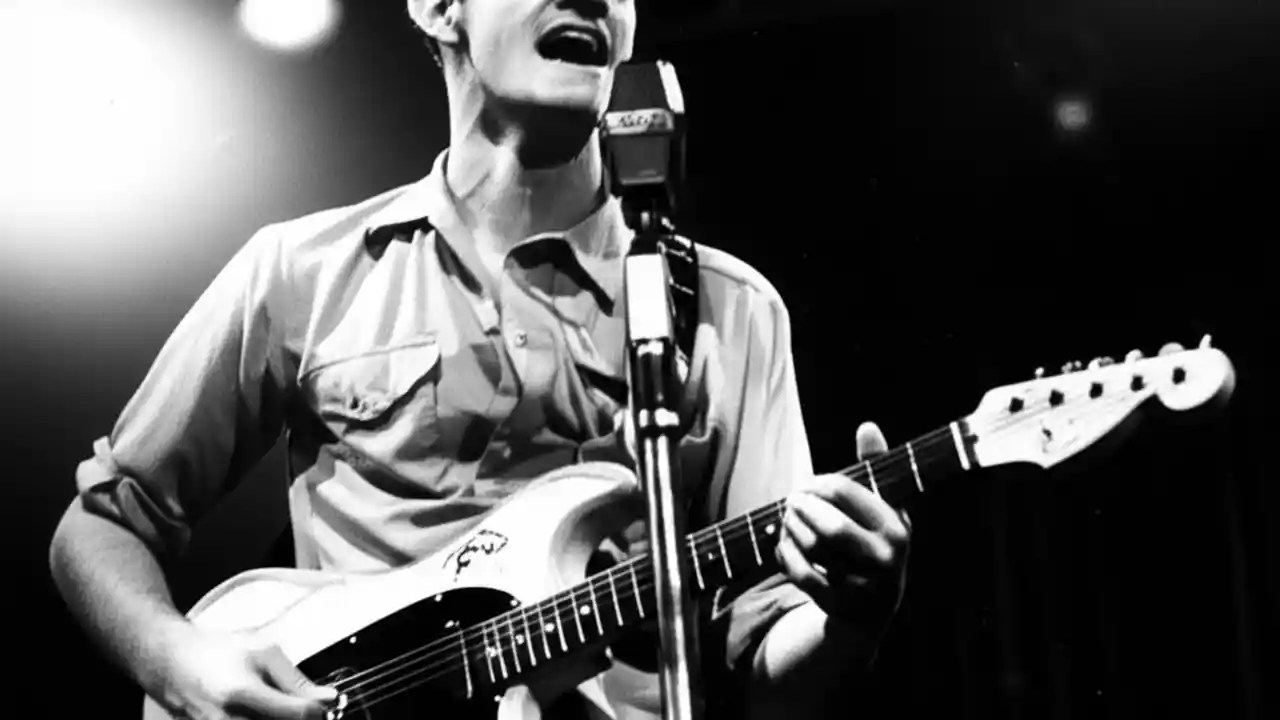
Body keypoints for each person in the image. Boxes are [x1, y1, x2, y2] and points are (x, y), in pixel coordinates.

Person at [48, 1, 912, 719]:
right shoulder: (302, 272)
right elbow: (102, 525)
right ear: (438, 6)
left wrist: (853, 618)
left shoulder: (730, 308)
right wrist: (180, 666)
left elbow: (768, 670)